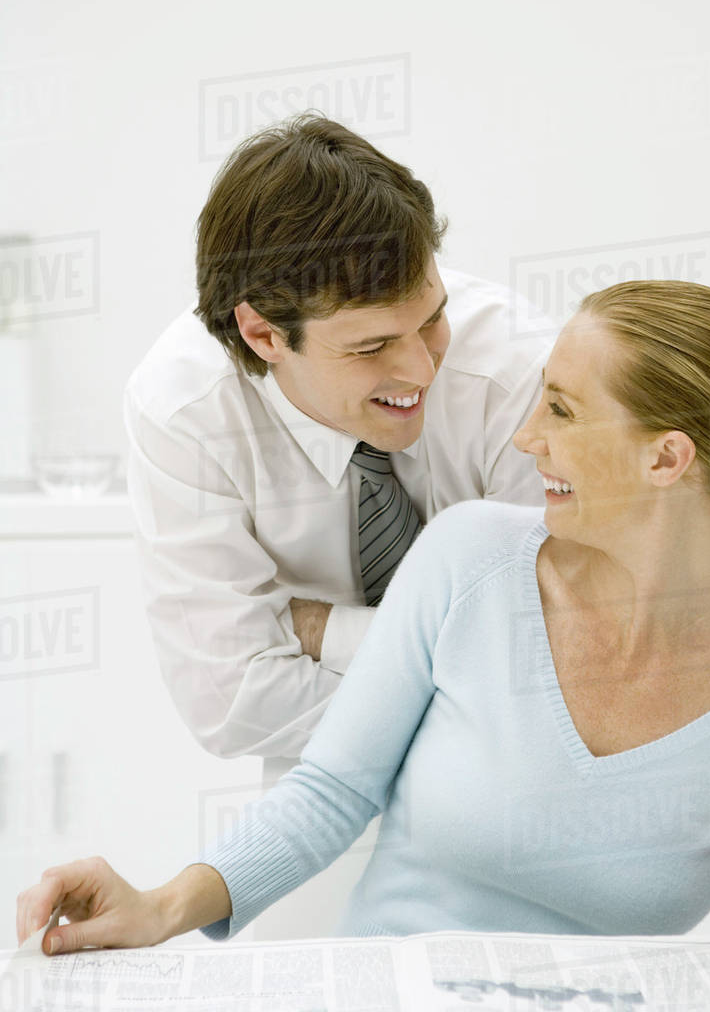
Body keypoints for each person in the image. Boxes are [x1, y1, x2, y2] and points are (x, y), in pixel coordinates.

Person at [18, 280, 710, 966]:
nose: (527, 438)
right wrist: (158, 908)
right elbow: (328, 793)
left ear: (665, 460)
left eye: (560, 410)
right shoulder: (471, 555)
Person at [124, 113, 553, 762]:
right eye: (372, 346)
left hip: (528, 770)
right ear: (264, 335)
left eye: (432, 320)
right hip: (322, 771)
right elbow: (234, 705)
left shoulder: (516, 369)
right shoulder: (184, 409)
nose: (421, 368)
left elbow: (552, 651)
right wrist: (473, 701)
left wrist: (323, 632)